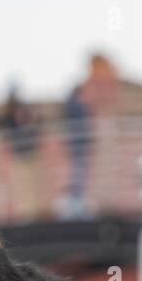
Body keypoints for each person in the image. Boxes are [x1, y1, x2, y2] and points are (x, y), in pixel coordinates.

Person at [61, 53, 119, 217]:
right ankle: (77, 205)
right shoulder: (79, 97)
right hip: (81, 143)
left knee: (88, 172)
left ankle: (86, 203)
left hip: (88, 140)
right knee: (80, 173)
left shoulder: (88, 90)